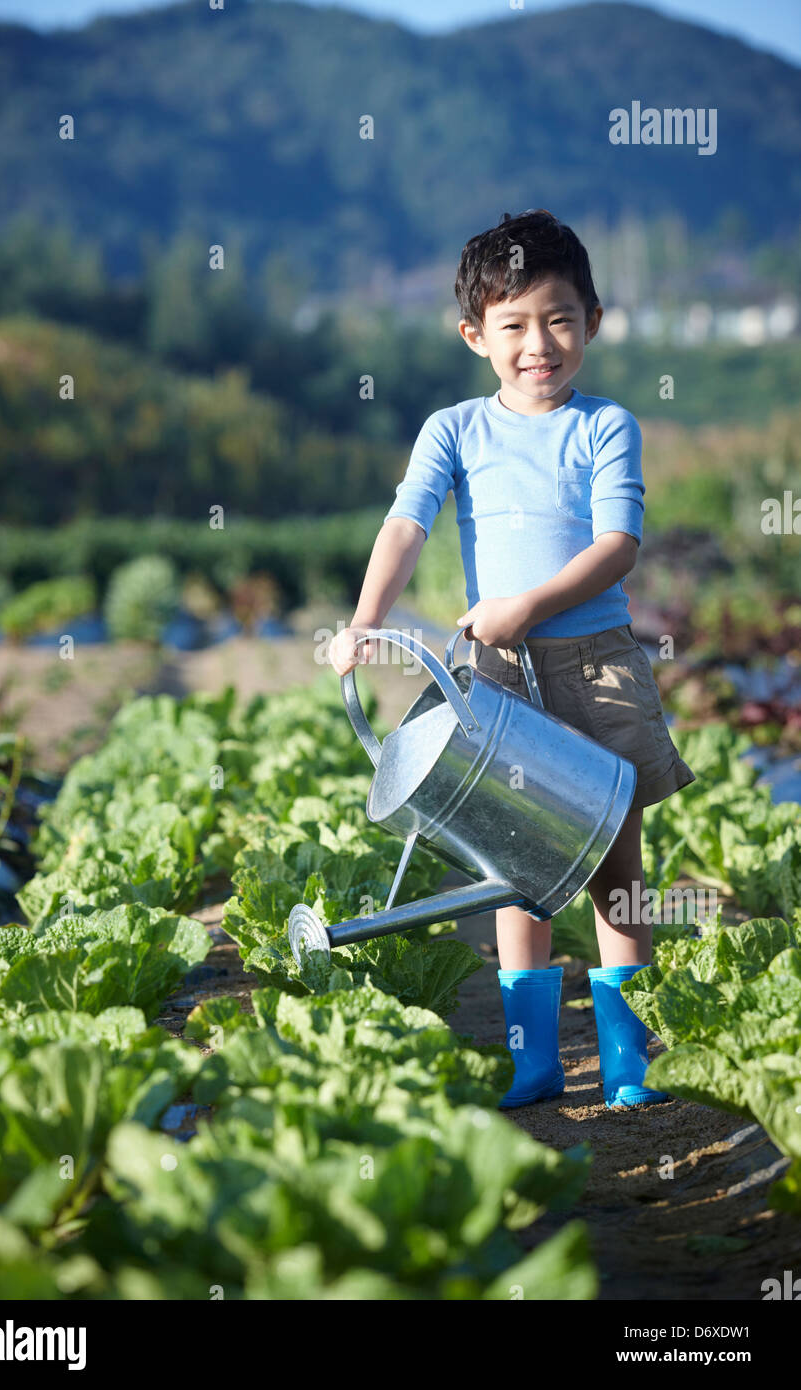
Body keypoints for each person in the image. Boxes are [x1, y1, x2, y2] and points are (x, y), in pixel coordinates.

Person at [328, 208, 695, 1111]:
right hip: (492, 678)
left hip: (596, 663)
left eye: (560, 319)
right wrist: (366, 618)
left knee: (616, 866)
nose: (540, 344)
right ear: (475, 335)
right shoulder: (454, 430)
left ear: (594, 322)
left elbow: (618, 546)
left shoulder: (606, 426)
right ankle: (534, 1066)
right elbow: (406, 525)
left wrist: (528, 605)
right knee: (512, 866)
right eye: (515, 324)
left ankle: (629, 1067)